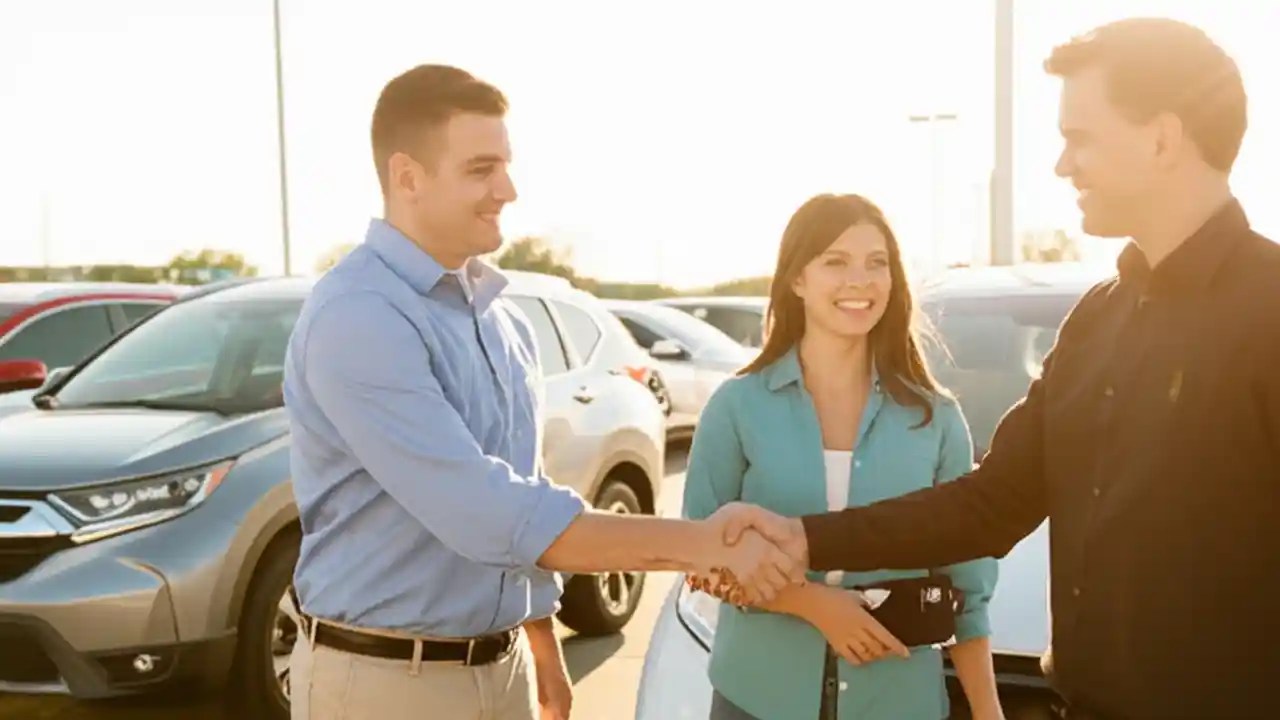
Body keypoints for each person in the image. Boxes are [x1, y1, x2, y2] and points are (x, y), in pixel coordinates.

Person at [714, 17, 1280, 720]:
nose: (1062, 166)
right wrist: (804, 538)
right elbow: (989, 505)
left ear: (1162, 139)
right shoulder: (1098, 318)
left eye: (1079, 138)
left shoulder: (1271, 311)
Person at [281, 64, 803, 720]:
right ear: (407, 177)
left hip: (505, 672)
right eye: (481, 169)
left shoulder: (500, 318)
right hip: (386, 683)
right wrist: (702, 542)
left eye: (506, 164)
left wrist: (540, 645)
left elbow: (522, 493)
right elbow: (485, 511)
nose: (508, 188)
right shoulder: (358, 316)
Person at [683, 194, 1003, 720]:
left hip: (901, 703)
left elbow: (969, 591)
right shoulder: (736, 407)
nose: (860, 280)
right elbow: (696, 554)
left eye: (877, 263)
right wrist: (812, 605)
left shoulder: (936, 420)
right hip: (756, 700)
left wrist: (989, 713)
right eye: (836, 261)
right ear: (796, 279)